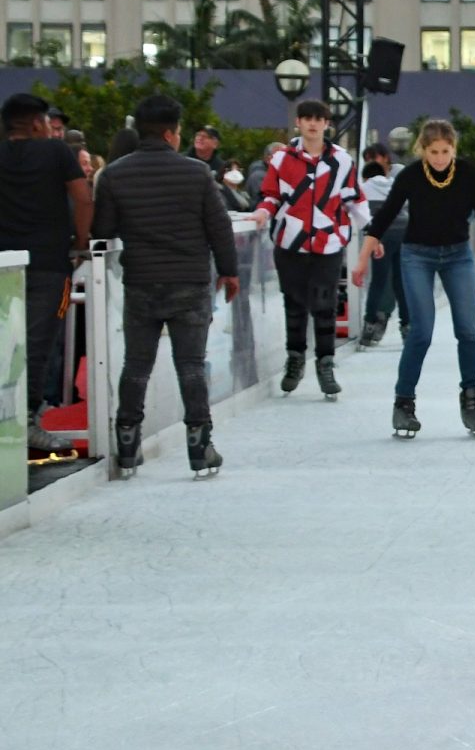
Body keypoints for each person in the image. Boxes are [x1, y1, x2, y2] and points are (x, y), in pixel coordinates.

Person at [91, 95, 239, 477]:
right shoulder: (197, 173)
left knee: (136, 364)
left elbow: (101, 229)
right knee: (190, 365)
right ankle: (200, 445)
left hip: (140, 280)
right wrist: (229, 271)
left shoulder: (114, 175)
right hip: (190, 280)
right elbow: (219, 226)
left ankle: (127, 442)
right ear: (172, 134)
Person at [353, 120, 475, 437]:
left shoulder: (467, 174)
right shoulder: (410, 175)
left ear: (454, 149)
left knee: (468, 328)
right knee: (421, 330)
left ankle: (471, 401)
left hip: (458, 255)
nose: (440, 158)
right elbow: (385, 216)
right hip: (417, 256)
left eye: (445, 151)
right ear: (422, 149)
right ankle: (403, 403)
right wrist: (362, 259)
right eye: (433, 152)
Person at [252, 100, 369, 400]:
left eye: (319, 119)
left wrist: (372, 233)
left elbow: (354, 199)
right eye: (307, 118)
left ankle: (325, 364)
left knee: (324, 303)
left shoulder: (341, 160)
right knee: (294, 303)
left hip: (328, 242)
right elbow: (270, 195)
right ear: (299, 123)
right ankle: (295, 359)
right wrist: (263, 212)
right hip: (290, 241)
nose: (313, 124)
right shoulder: (282, 159)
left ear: (327, 124)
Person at [0, 93, 91, 454]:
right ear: (38, 123)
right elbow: (83, 198)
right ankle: (27, 421)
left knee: (6, 342)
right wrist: (81, 242)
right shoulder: (56, 152)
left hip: (5, 264)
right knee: (40, 343)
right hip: (51, 265)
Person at [358, 159, 410, 346]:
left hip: (381, 236)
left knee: (378, 281)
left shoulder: (364, 188)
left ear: (366, 176)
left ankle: (369, 325)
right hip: (403, 232)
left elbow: (361, 214)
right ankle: (407, 326)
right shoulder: (395, 185)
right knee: (400, 281)